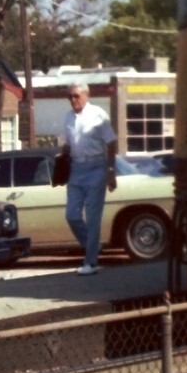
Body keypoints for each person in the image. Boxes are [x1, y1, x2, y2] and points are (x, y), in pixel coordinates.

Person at [59, 83, 117, 275]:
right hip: (76, 168)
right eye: (69, 97)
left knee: (93, 217)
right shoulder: (68, 116)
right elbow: (66, 142)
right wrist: (62, 157)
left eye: (76, 96)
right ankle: (93, 245)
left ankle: (91, 262)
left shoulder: (98, 114)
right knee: (72, 215)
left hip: (96, 167)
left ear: (86, 95)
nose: (73, 100)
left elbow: (111, 143)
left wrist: (110, 170)